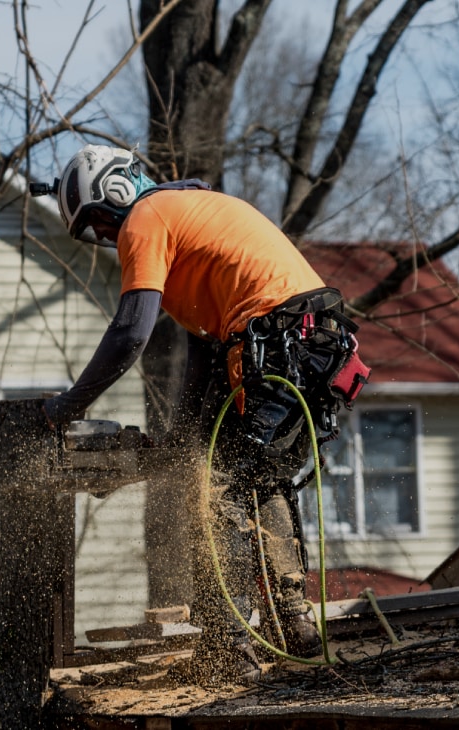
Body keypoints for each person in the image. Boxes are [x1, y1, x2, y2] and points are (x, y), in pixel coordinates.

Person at [33, 145, 369, 681]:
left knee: (216, 489)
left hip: (279, 342)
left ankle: (227, 650)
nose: (105, 239)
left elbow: (129, 334)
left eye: (97, 223)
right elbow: (206, 354)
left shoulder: (147, 217)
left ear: (114, 194)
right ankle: (295, 629)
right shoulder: (192, 217)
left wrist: (66, 407)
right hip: (316, 346)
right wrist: (178, 443)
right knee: (263, 483)